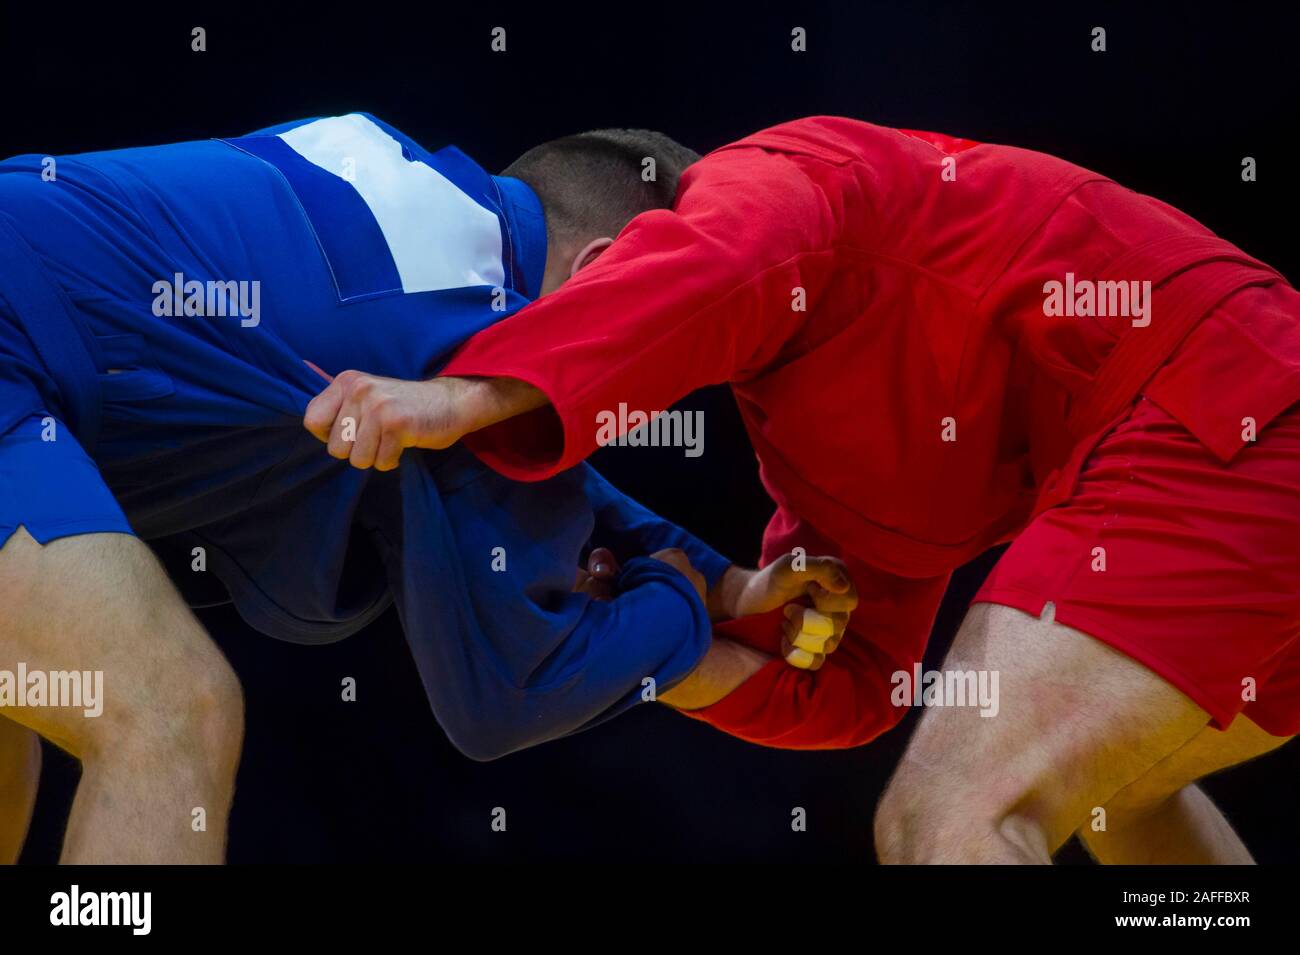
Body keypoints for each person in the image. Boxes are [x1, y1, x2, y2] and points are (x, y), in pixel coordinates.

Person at [308, 116, 1300, 862]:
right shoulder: (815, 416)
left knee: (948, 820)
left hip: (1233, 407)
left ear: (615, 261)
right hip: (1245, 471)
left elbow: (720, 265)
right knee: (1118, 796)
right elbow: (851, 669)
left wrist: (463, 394)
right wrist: (667, 640)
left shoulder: (778, 179)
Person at [0, 113, 852, 862]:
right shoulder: (468, 327)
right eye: (658, 356)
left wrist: (730, 581)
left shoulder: (409, 207)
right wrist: (680, 592)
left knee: (23, 702)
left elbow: (528, 452)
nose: (628, 411)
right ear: (608, 272)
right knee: (168, 716)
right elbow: (510, 691)